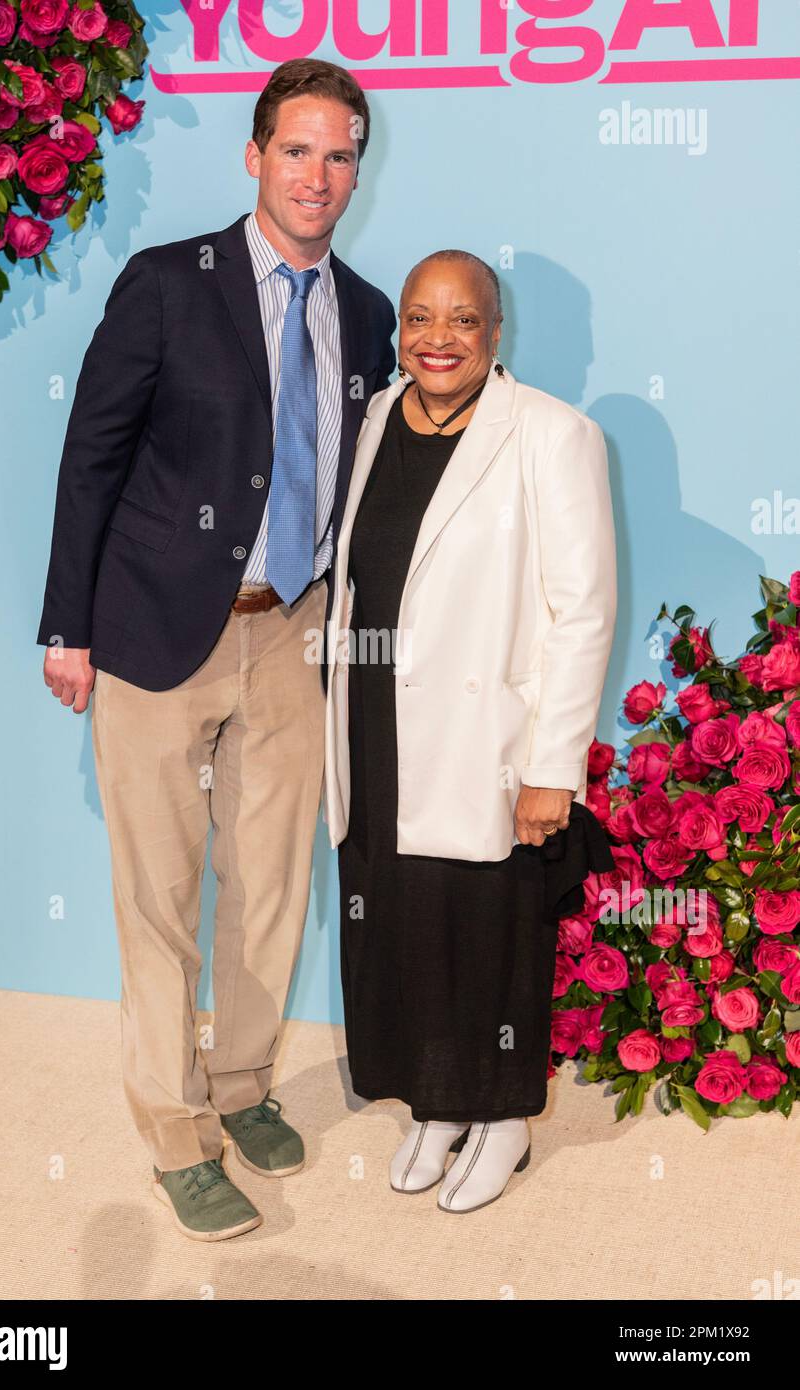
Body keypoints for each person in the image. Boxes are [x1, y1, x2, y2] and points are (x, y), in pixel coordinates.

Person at [36, 58, 396, 1241]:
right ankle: (173, 1130)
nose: (318, 175)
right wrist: (67, 624)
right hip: (150, 632)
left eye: (339, 154)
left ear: (357, 168)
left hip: (290, 635)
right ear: (253, 157)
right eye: (296, 150)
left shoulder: (372, 312)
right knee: (158, 895)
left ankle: (241, 1088)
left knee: (271, 886)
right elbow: (91, 457)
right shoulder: (164, 284)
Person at [323, 250, 618, 1213]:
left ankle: (503, 1118)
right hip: (377, 724)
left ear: (496, 333)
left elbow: (584, 613)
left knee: (486, 929)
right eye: (418, 319)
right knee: (404, 922)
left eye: (461, 320)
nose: (436, 339)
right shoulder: (374, 421)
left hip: (488, 734)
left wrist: (551, 768)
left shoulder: (552, 434)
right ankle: (437, 1104)